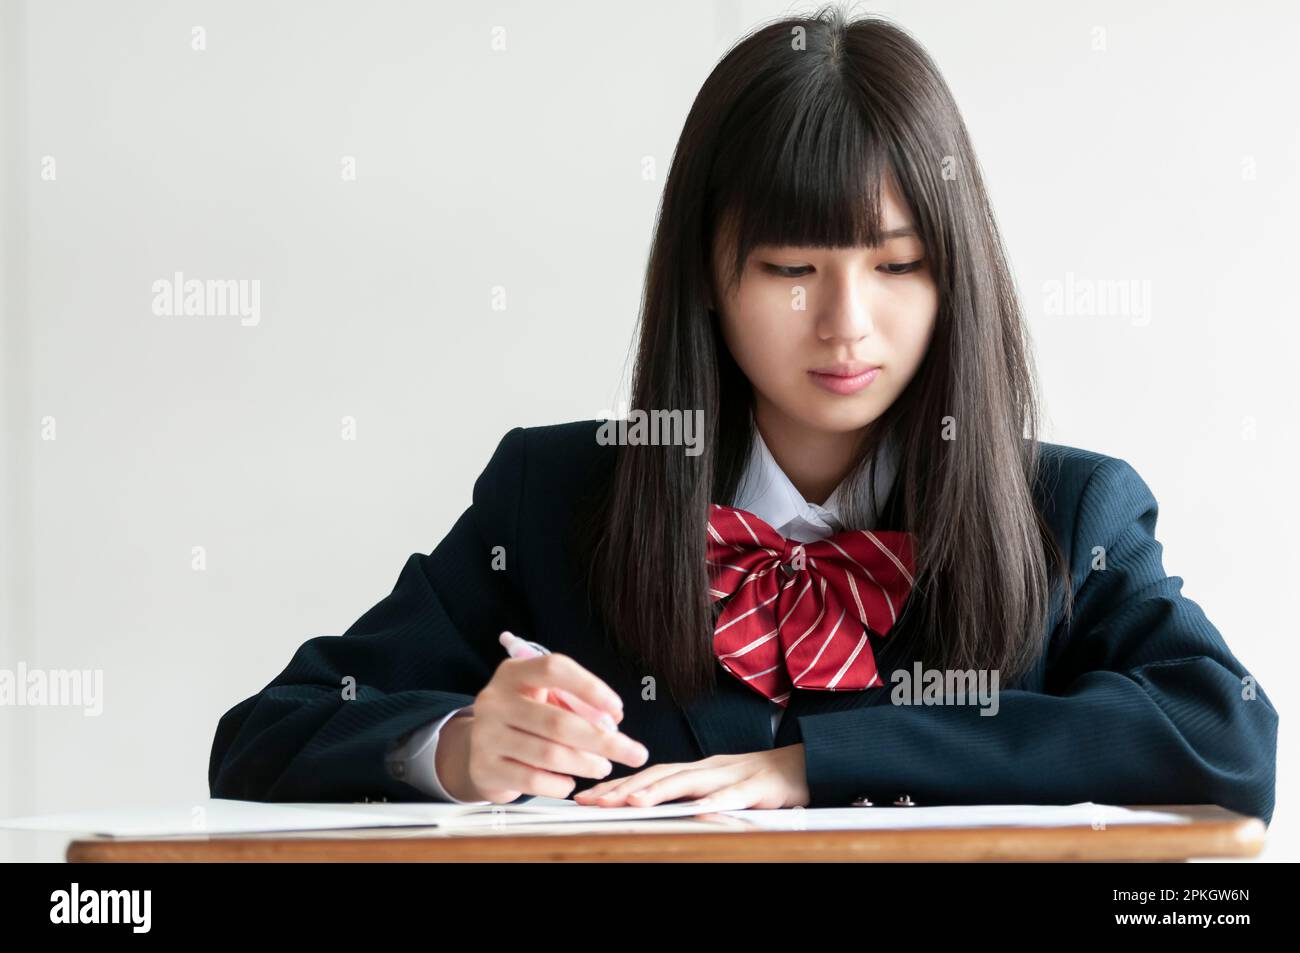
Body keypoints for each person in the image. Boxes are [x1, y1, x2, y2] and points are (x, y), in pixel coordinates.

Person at [207, 7, 1277, 823]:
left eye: (898, 265)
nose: (846, 325)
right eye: (790, 268)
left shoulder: (1067, 506)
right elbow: (267, 731)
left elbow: (1224, 735)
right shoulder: (558, 493)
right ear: (708, 279)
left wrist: (816, 767)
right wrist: (454, 746)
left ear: (957, 280)